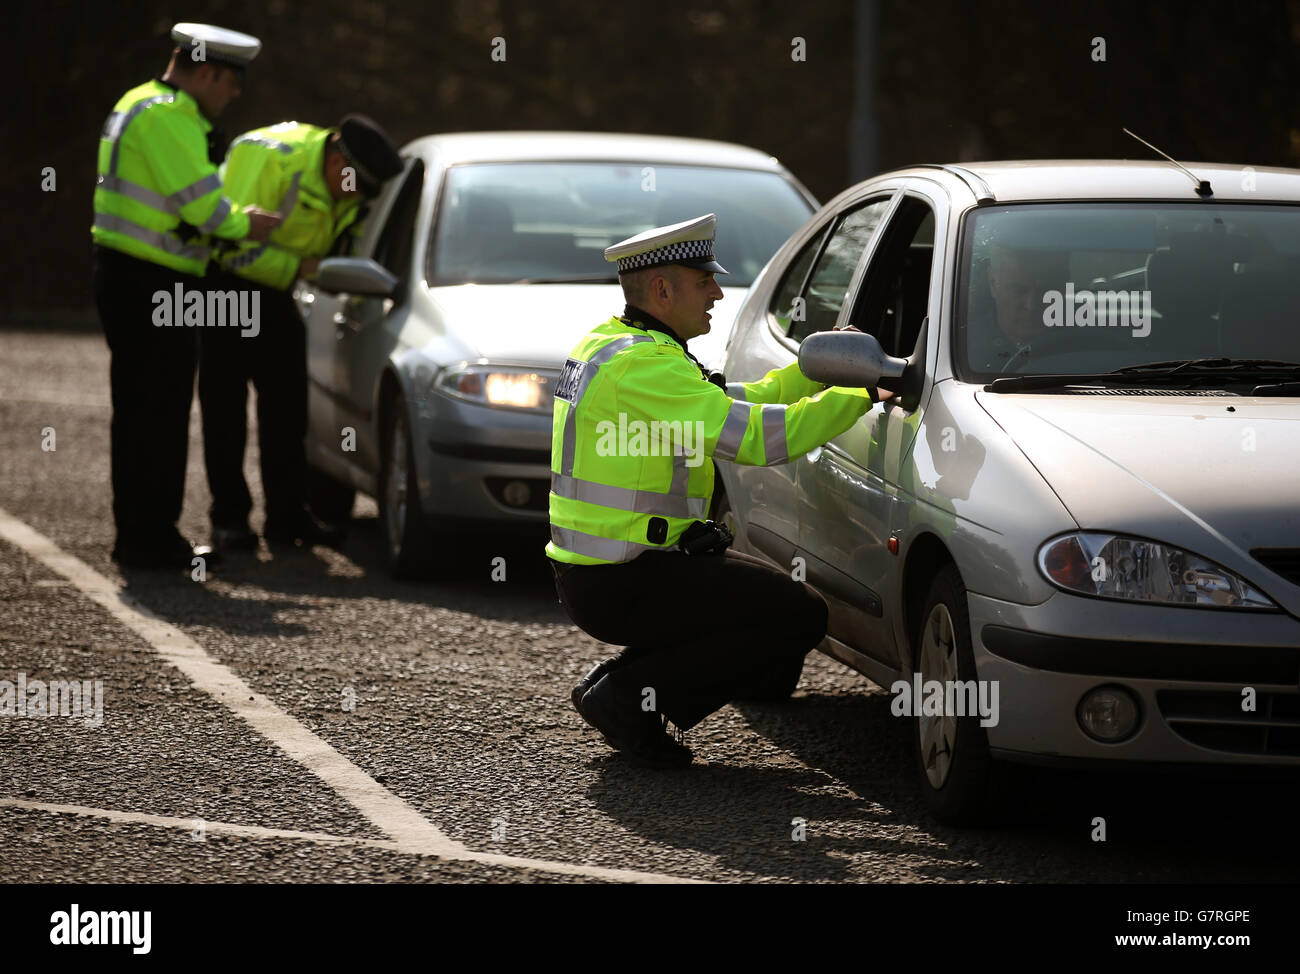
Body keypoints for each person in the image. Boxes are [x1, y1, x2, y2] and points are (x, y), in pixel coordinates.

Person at [549, 213, 889, 766]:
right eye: (704, 280)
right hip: (624, 577)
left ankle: (620, 686)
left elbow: (730, 401)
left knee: (764, 602)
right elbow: (753, 437)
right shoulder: (643, 366)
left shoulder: (619, 346)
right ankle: (627, 699)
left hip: (609, 570)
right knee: (796, 615)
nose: (717, 292)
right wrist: (862, 395)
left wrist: (815, 371)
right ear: (662, 289)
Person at [91, 22, 281, 569]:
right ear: (207, 72)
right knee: (161, 411)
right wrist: (247, 225)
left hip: (132, 275)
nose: (235, 94)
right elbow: (202, 206)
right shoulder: (170, 116)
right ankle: (152, 540)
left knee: (139, 410)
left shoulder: (140, 101)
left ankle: (141, 536)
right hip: (153, 282)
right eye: (230, 83)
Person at [199, 116, 403, 552]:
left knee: (289, 407)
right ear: (335, 157)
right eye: (351, 183)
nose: (351, 196)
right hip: (224, 285)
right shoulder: (269, 157)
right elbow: (229, 246)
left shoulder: (349, 187)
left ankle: (287, 519)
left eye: (361, 190)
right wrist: (302, 269)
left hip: (278, 291)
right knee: (225, 408)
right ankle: (230, 521)